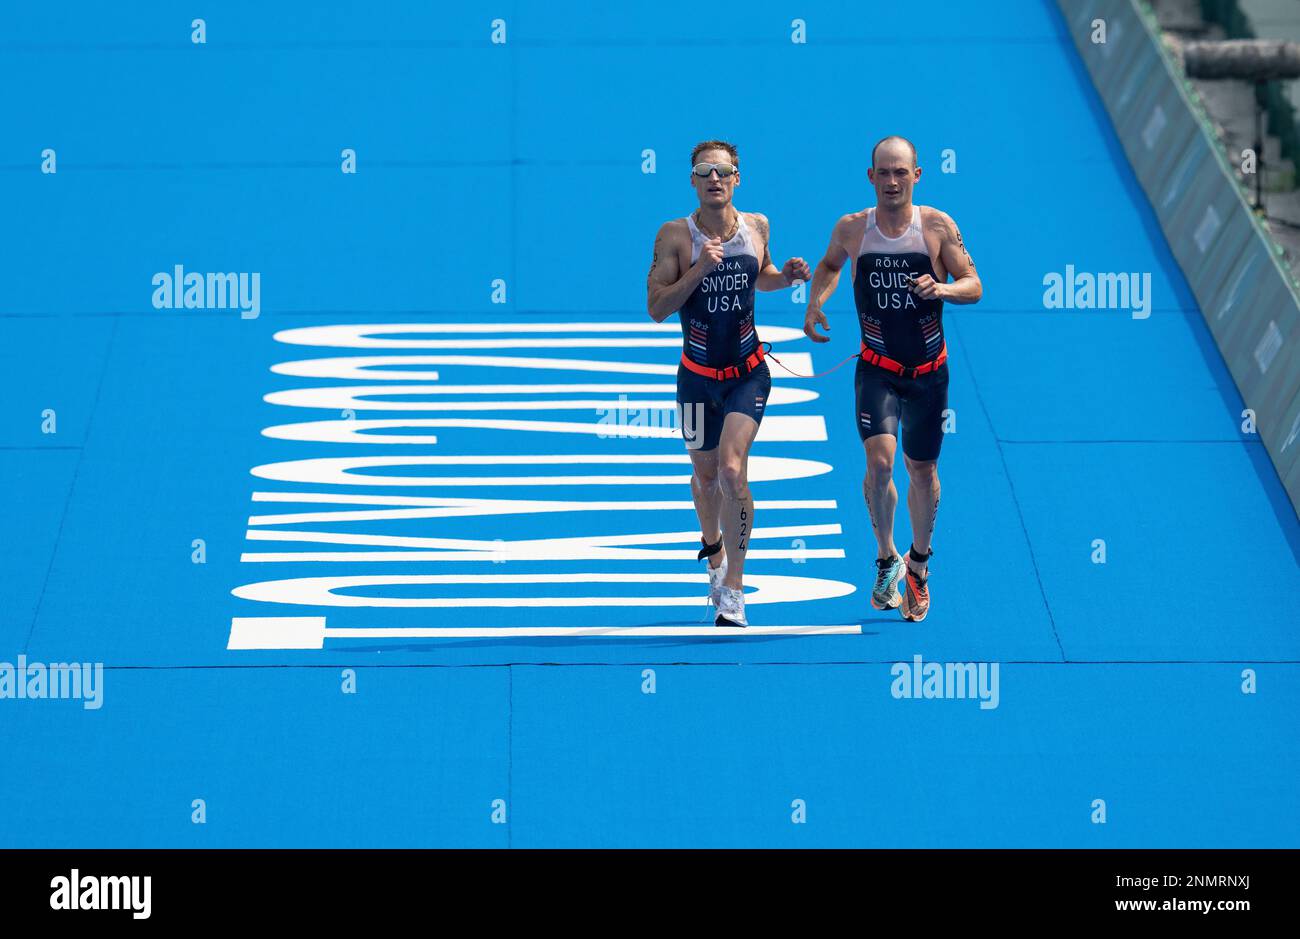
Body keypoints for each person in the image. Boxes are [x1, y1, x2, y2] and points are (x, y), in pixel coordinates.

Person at [804, 136, 982, 622]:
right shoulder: (853, 228)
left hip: (928, 375)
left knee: (921, 471)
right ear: (870, 177)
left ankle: (919, 567)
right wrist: (816, 302)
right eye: (883, 172)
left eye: (900, 172)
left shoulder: (938, 227)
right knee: (880, 463)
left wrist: (941, 286)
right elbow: (828, 266)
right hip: (877, 371)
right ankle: (886, 558)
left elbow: (974, 285)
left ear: (916, 176)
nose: (891, 181)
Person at [646, 140, 811, 626]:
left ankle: (735, 587)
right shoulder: (676, 236)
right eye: (705, 171)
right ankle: (713, 551)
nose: (715, 179)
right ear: (693, 182)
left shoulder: (757, 226)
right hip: (696, 382)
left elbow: (760, 276)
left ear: (737, 178)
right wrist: (700, 269)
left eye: (724, 171)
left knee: (734, 470)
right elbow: (656, 309)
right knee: (706, 478)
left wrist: (788, 278)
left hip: (747, 374)